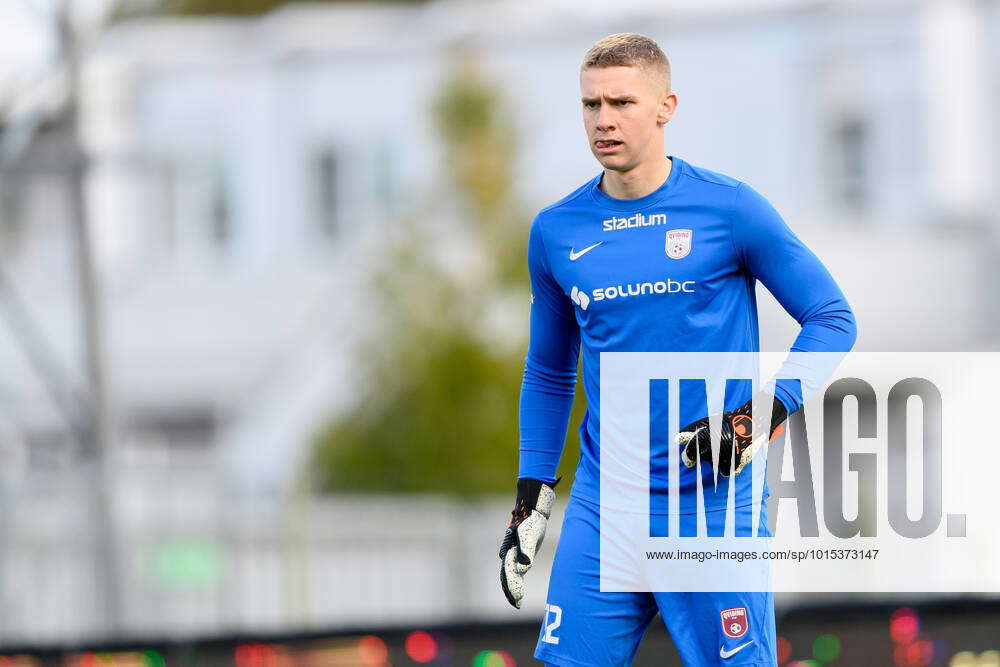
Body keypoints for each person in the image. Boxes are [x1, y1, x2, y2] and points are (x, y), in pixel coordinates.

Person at [498, 33, 857, 666]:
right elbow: (550, 371)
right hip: (604, 504)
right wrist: (533, 490)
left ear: (666, 106)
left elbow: (831, 318)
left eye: (621, 102)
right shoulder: (556, 230)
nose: (603, 120)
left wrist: (761, 415)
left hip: (712, 503)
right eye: (590, 105)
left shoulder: (730, 209)